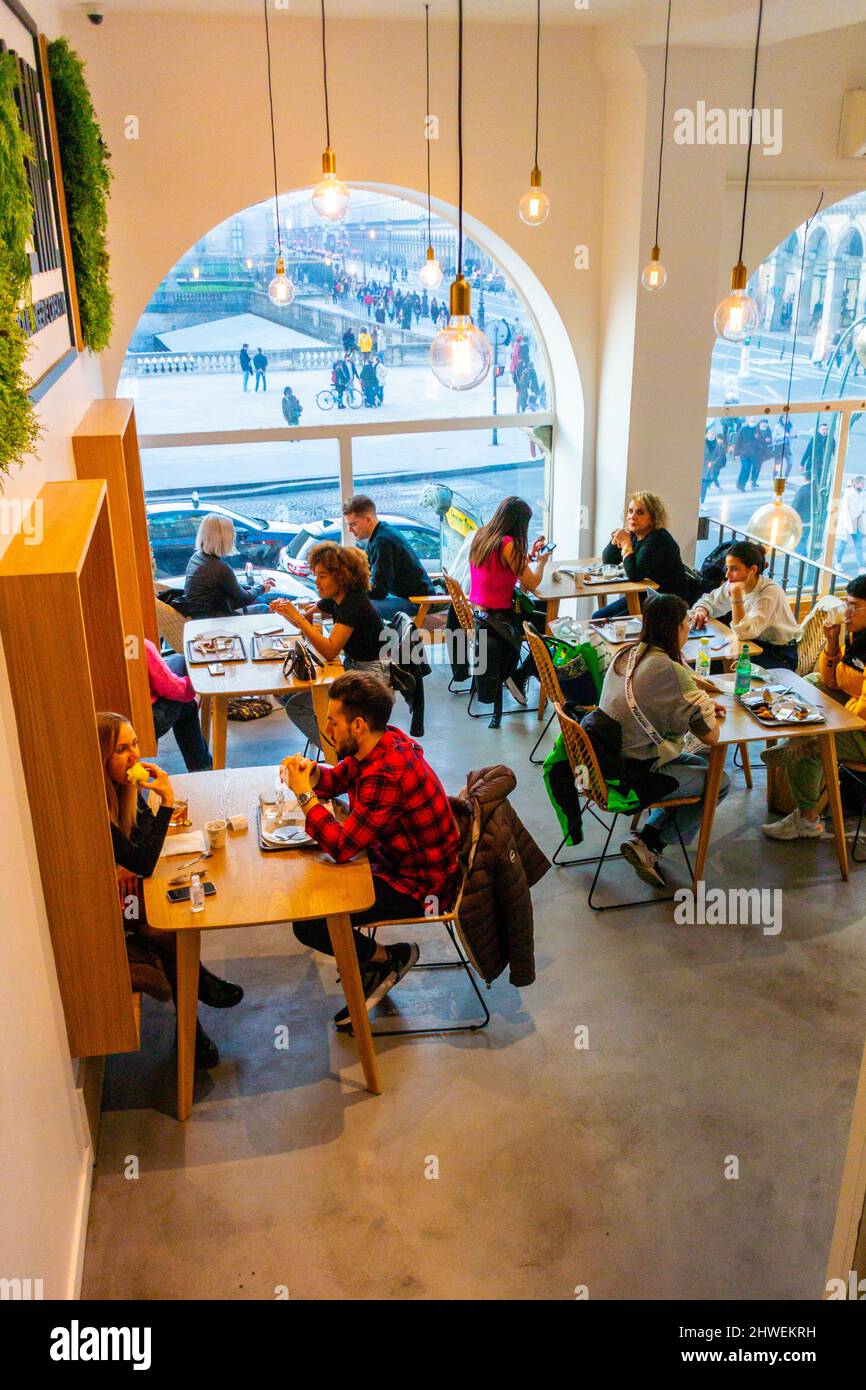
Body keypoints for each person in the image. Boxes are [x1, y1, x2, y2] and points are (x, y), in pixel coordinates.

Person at [280, 672, 460, 1026]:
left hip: (421, 888)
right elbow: (338, 780)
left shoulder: (384, 773)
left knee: (310, 921)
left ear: (358, 725)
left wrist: (304, 794)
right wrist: (311, 774)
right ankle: (374, 960)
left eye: (333, 723)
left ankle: (387, 959)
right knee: (313, 888)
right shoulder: (381, 741)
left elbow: (342, 847)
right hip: (397, 862)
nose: (327, 730)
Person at [99, 712, 242, 1068]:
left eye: (134, 744)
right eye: (121, 749)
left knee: (175, 911)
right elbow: (144, 860)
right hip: (108, 908)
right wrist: (166, 801)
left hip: (127, 893)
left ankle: (194, 1009)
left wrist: (132, 853)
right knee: (166, 931)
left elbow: (143, 836)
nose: (134, 755)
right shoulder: (96, 805)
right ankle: (193, 1014)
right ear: (100, 758)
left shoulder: (124, 789)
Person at [598, 594, 729, 888]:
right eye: (686, 623)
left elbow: (654, 702)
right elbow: (711, 735)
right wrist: (702, 704)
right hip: (632, 776)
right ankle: (651, 844)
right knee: (719, 780)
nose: (689, 629)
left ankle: (646, 839)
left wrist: (692, 704)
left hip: (603, 761)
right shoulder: (670, 670)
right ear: (676, 628)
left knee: (700, 764)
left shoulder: (629, 653)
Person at [761, 578, 866, 840]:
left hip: (863, 730)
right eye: (846, 603)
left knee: (814, 743)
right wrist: (832, 643)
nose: (847, 611)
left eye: (854, 606)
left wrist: (831, 717)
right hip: (854, 708)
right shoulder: (857, 636)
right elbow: (832, 681)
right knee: (811, 682)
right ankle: (796, 726)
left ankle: (807, 821)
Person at [270, 542, 388, 751]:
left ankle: (339, 751)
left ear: (341, 577)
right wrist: (286, 611)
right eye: (316, 575)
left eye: (322, 576)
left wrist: (297, 618)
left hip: (371, 675)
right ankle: (334, 738)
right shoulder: (335, 598)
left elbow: (330, 650)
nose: (316, 582)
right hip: (353, 666)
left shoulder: (354, 603)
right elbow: (306, 620)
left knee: (296, 706)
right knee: (285, 694)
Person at [468, 496, 552, 724]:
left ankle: (520, 674)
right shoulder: (508, 544)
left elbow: (501, 570)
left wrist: (529, 556)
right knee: (551, 627)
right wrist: (542, 562)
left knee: (544, 618)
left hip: (481, 615)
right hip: (500, 620)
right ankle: (519, 674)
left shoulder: (483, 535)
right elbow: (532, 583)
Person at [690, 541, 802, 670]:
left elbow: (744, 633)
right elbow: (710, 599)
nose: (727, 575)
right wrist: (701, 609)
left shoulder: (769, 593)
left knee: (726, 670)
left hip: (778, 654)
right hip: (751, 643)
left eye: (734, 569)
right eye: (727, 568)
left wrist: (736, 598)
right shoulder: (734, 582)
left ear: (752, 570)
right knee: (702, 661)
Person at [596, 491, 691, 618]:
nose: (632, 516)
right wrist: (615, 541)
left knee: (605, 621)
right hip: (644, 594)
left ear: (653, 517)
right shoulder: (635, 533)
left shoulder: (657, 539)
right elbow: (609, 562)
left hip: (665, 600)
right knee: (598, 616)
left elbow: (635, 575)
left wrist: (626, 544)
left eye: (640, 512)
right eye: (630, 511)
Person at [342, 494, 434, 623]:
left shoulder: (382, 541)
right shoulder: (381, 532)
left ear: (368, 519)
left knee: (355, 607)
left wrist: (350, 594)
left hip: (417, 602)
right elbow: (368, 573)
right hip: (403, 597)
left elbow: (378, 591)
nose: (349, 530)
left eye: (353, 524)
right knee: (352, 601)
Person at [183, 513, 278, 617]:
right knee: (265, 607)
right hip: (213, 617)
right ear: (225, 538)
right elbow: (244, 598)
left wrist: (260, 587)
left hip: (202, 611)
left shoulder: (198, 557)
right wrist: (262, 588)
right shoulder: (219, 568)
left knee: (268, 598)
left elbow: (233, 588)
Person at [145, 640, 212, 771]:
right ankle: (202, 768)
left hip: (118, 717)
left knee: (179, 662)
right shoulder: (138, 643)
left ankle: (202, 767)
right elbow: (170, 688)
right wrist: (194, 687)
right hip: (150, 720)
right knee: (186, 702)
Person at [835, 477, 866, 571]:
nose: (863, 485)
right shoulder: (848, 494)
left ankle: (861, 566)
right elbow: (845, 511)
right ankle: (838, 563)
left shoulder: (863, 494)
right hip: (848, 523)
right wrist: (848, 525)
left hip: (859, 524)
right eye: (862, 483)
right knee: (843, 544)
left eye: (864, 484)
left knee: (858, 546)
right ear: (856, 484)